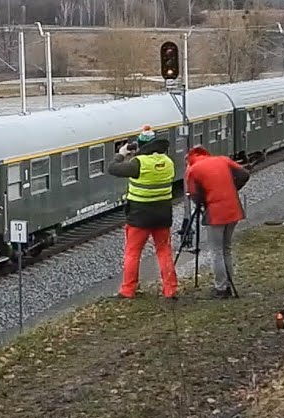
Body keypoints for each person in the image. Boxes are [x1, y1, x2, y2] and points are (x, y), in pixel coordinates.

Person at [107, 126, 179, 299]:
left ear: (141, 146)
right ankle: (170, 289)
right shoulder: (168, 162)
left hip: (139, 216)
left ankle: (128, 290)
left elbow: (113, 168)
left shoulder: (138, 163)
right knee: (164, 252)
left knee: (133, 253)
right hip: (162, 214)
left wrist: (122, 153)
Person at [185, 145, 251, 299]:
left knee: (216, 251)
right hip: (234, 208)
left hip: (216, 213)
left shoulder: (193, 170)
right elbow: (244, 174)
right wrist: (233, 188)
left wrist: (204, 201)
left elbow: (194, 195)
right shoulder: (223, 160)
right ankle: (229, 283)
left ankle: (221, 288)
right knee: (226, 248)